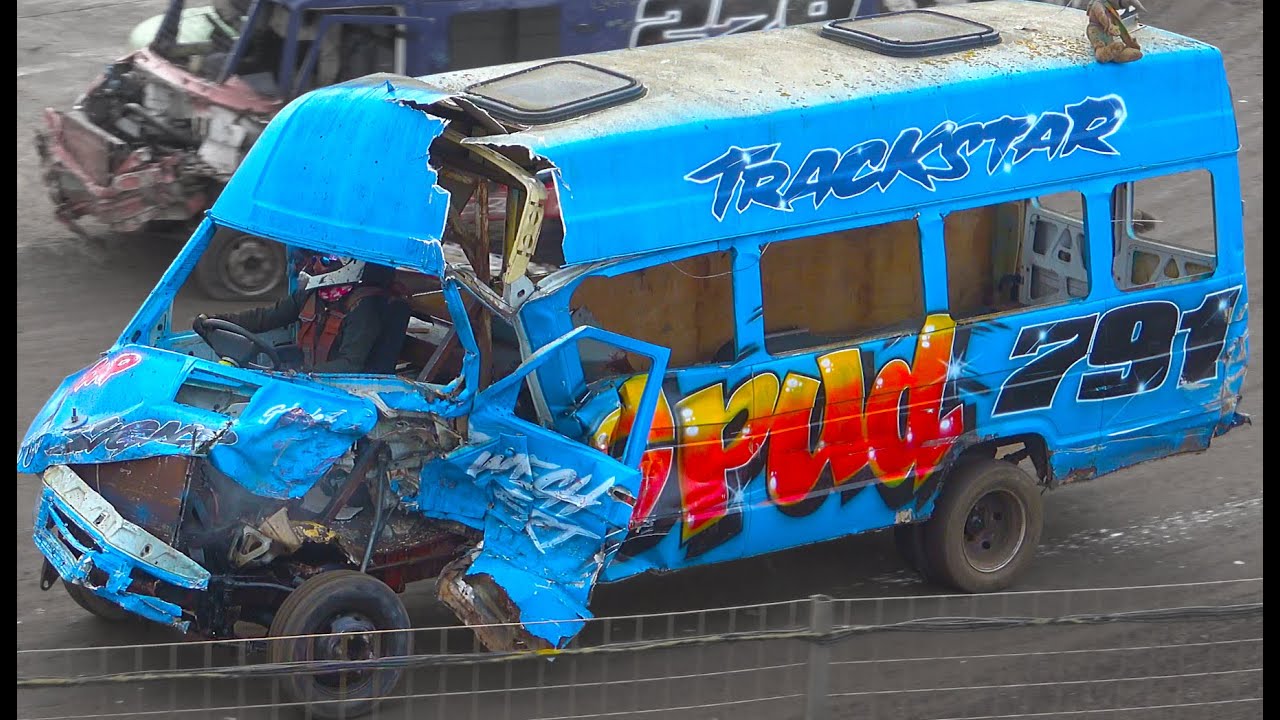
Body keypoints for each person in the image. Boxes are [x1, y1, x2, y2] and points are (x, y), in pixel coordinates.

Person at [195, 254, 405, 373]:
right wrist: (216, 321)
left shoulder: (362, 307)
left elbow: (350, 364)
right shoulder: (312, 294)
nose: (315, 265)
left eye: (326, 260)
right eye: (315, 257)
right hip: (307, 380)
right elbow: (265, 317)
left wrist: (299, 375)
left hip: (341, 391)